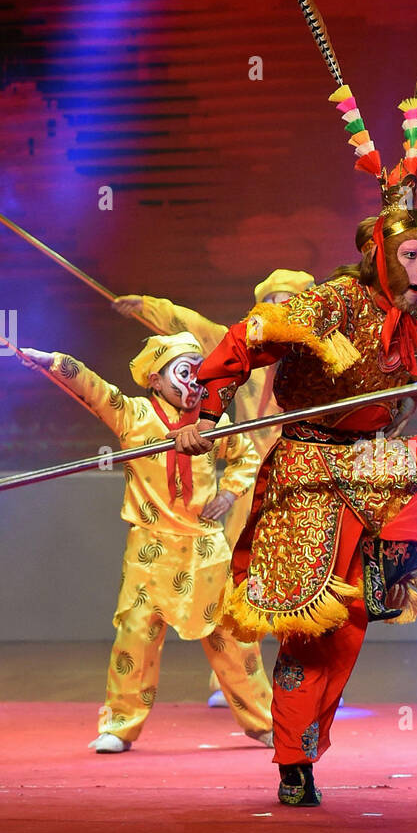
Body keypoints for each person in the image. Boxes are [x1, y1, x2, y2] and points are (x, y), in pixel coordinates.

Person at [175, 187, 417, 806]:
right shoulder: (332, 300)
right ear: (380, 254)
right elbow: (249, 337)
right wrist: (207, 411)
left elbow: (416, 389)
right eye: (411, 254)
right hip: (308, 472)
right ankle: (295, 760)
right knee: (323, 634)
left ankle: (403, 548)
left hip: (374, 463)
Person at [19, 332, 273, 751]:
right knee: (135, 634)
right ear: (155, 379)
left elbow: (246, 456)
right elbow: (95, 390)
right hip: (150, 549)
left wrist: (229, 492)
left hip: (206, 548)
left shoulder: (216, 421)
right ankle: (119, 725)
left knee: (232, 636)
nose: (194, 383)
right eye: (184, 371)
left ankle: (264, 721)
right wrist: (55, 364)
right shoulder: (133, 416)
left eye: (200, 372)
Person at [113, 269, 315, 709]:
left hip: (298, 473)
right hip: (248, 474)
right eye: (272, 300)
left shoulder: (318, 354)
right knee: (237, 578)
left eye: (288, 301)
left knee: (291, 575)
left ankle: (291, 677)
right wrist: (147, 307)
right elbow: (190, 327)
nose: (278, 308)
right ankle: (226, 680)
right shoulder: (238, 344)